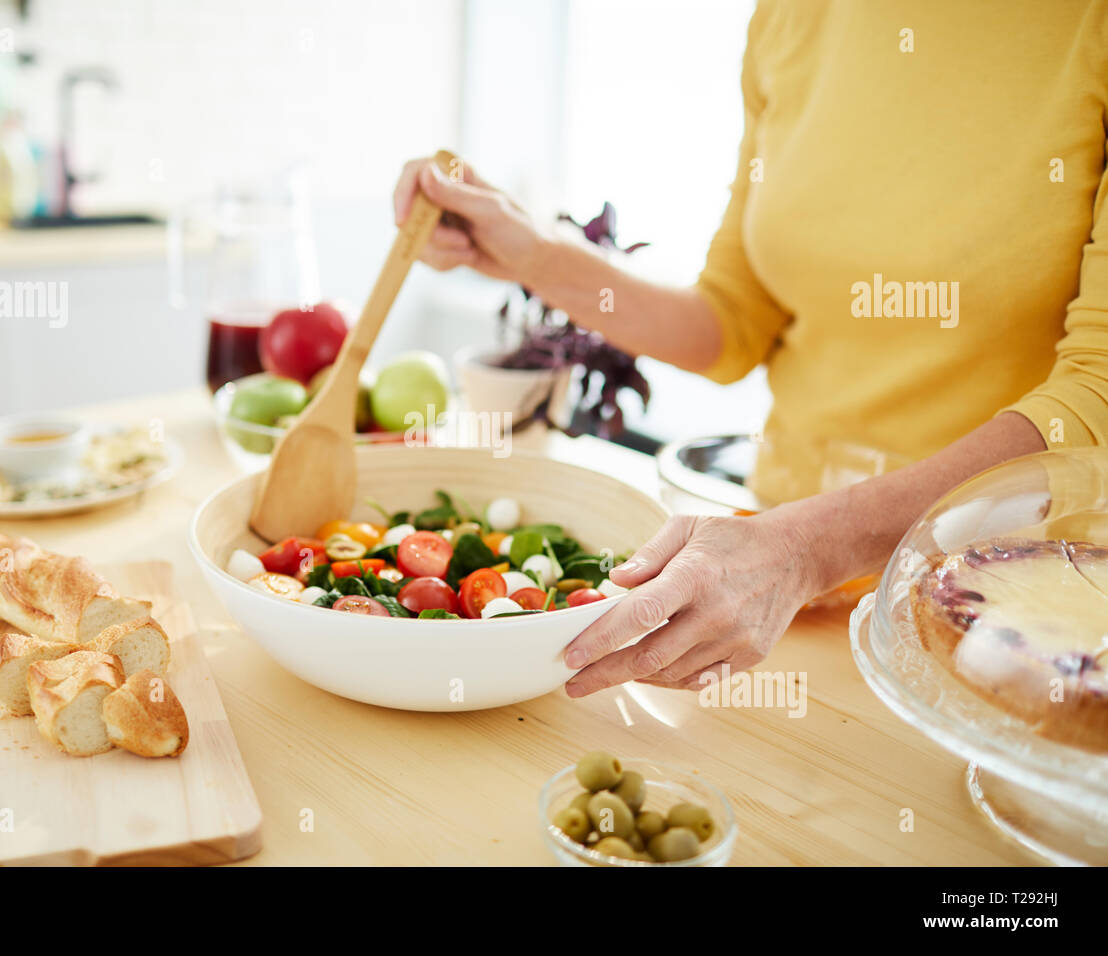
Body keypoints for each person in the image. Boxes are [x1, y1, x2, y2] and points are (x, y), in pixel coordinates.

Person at [392, 1, 1108, 698]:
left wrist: (809, 548)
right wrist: (532, 252)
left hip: (1025, 627)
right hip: (786, 602)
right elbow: (730, 322)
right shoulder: (792, 16)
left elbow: (1096, 389)